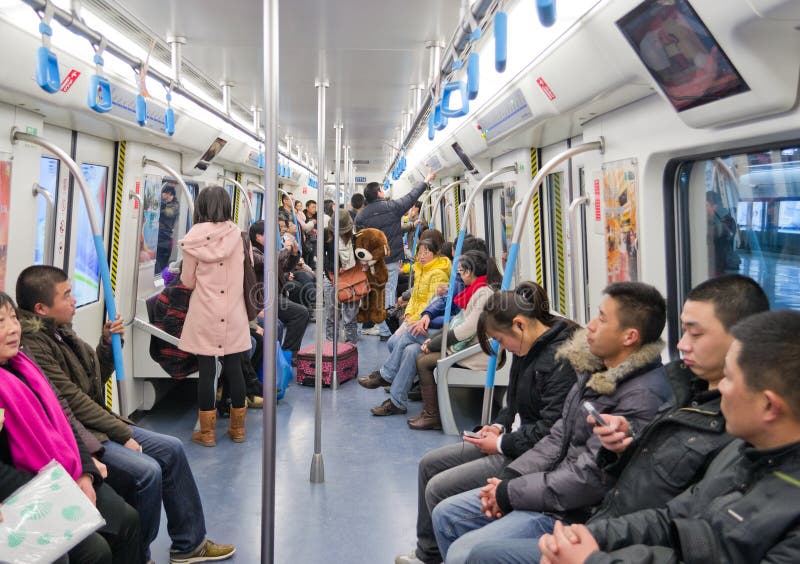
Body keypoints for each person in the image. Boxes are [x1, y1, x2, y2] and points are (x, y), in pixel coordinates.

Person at [464, 274, 771, 563]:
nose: (681, 345)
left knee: (477, 552)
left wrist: (591, 552)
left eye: (696, 332)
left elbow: (678, 521)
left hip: (601, 525)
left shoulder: (731, 439)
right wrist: (623, 447)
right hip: (602, 521)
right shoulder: (676, 387)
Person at [432, 282, 673, 564]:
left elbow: (587, 479)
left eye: (602, 319)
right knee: (446, 514)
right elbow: (557, 438)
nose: (591, 325)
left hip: (574, 512)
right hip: (546, 483)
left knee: (468, 553)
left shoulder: (640, 396)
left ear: (630, 337)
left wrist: (510, 492)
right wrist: (511, 478)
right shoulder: (595, 372)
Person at [535, 310, 800, 564]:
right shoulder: (745, 454)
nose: (722, 390)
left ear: (769, 406)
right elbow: (672, 518)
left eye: (729, 379)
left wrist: (592, 561)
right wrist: (594, 536)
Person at [15, 266, 235, 563]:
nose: (73, 300)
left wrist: (107, 345)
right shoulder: (36, 347)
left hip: (99, 423)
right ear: (41, 308)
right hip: (84, 433)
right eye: (66, 295)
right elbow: (74, 402)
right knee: (147, 472)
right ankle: (138, 555)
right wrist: (124, 433)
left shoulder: (60, 333)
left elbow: (92, 381)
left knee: (173, 449)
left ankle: (189, 544)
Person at [394, 281, 578, 564]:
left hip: (527, 454)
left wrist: (502, 443)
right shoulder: (525, 347)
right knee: (428, 465)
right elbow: (512, 403)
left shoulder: (560, 361)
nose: (503, 347)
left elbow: (549, 432)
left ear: (519, 325)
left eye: (502, 340)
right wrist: (498, 426)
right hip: (512, 439)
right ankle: (427, 554)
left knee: (438, 488)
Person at [0, 291, 143, 564]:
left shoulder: (25, 364)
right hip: (30, 489)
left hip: (64, 470)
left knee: (128, 520)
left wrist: (86, 471)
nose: (12, 328)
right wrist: (58, 490)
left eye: (14, 318)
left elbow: (62, 419)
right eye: (0, 321)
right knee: (94, 552)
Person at [176, 186, 251, 446]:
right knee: (234, 367)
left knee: (207, 371)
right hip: (234, 310)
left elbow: (187, 281)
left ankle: (207, 434)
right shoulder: (240, 237)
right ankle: (238, 429)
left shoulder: (192, 239)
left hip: (205, 311)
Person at [408, 250, 502, 430]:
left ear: (469, 272)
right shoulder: (477, 290)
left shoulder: (483, 294)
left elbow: (467, 329)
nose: (459, 275)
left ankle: (432, 415)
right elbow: (457, 322)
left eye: (461, 272)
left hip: (480, 353)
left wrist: (436, 342)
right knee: (422, 356)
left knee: (423, 361)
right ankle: (430, 412)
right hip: (473, 346)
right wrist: (436, 340)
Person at [359, 237, 450, 415]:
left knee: (403, 336)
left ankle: (387, 375)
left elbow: (435, 308)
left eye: (427, 252)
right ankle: (397, 402)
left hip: (438, 329)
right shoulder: (422, 270)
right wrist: (409, 315)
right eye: (420, 252)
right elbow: (417, 299)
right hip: (422, 320)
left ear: (436, 253)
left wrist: (414, 320)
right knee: (410, 351)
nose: (422, 256)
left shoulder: (439, 275)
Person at [356, 171, 435, 340]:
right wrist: (426, 180)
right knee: (389, 295)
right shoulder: (392, 207)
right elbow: (411, 196)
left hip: (371, 262)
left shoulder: (361, 216)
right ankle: (386, 330)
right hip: (390, 261)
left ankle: (377, 326)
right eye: (381, 190)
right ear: (378, 193)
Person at [251, 220, 310, 360]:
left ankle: (288, 353)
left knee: (300, 311)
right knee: (300, 313)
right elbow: (268, 261)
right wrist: (286, 249)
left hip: (275, 294)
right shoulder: (252, 253)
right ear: (258, 236)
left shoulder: (267, 250)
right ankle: (288, 354)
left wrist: (294, 254)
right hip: (262, 299)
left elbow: (284, 267)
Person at [323, 208, 359, 344]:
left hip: (352, 279)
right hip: (331, 277)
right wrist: (335, 269)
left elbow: (360, 257)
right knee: (331, 317)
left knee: (350, 318)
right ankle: (330, 347)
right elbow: (321, 257)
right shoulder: (326, 233)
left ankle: (350, 348)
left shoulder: (356, 236)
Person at [706, 190, 739, 276]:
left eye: (705, 205)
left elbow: (718, 232)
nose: (702, 208)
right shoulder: (710, 219)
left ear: (714, 206)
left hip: (723, 269)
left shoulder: (727, 221)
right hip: (714, 265)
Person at [155, 184, 179, 274]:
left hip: (165, 241)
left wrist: (161, 204)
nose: (165, 196)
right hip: (157, 239)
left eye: (167, 195)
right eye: (164, 194)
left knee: (161, 267)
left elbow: (168, 213)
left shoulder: (175, 205)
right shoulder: (162, 203)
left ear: (171, 195)